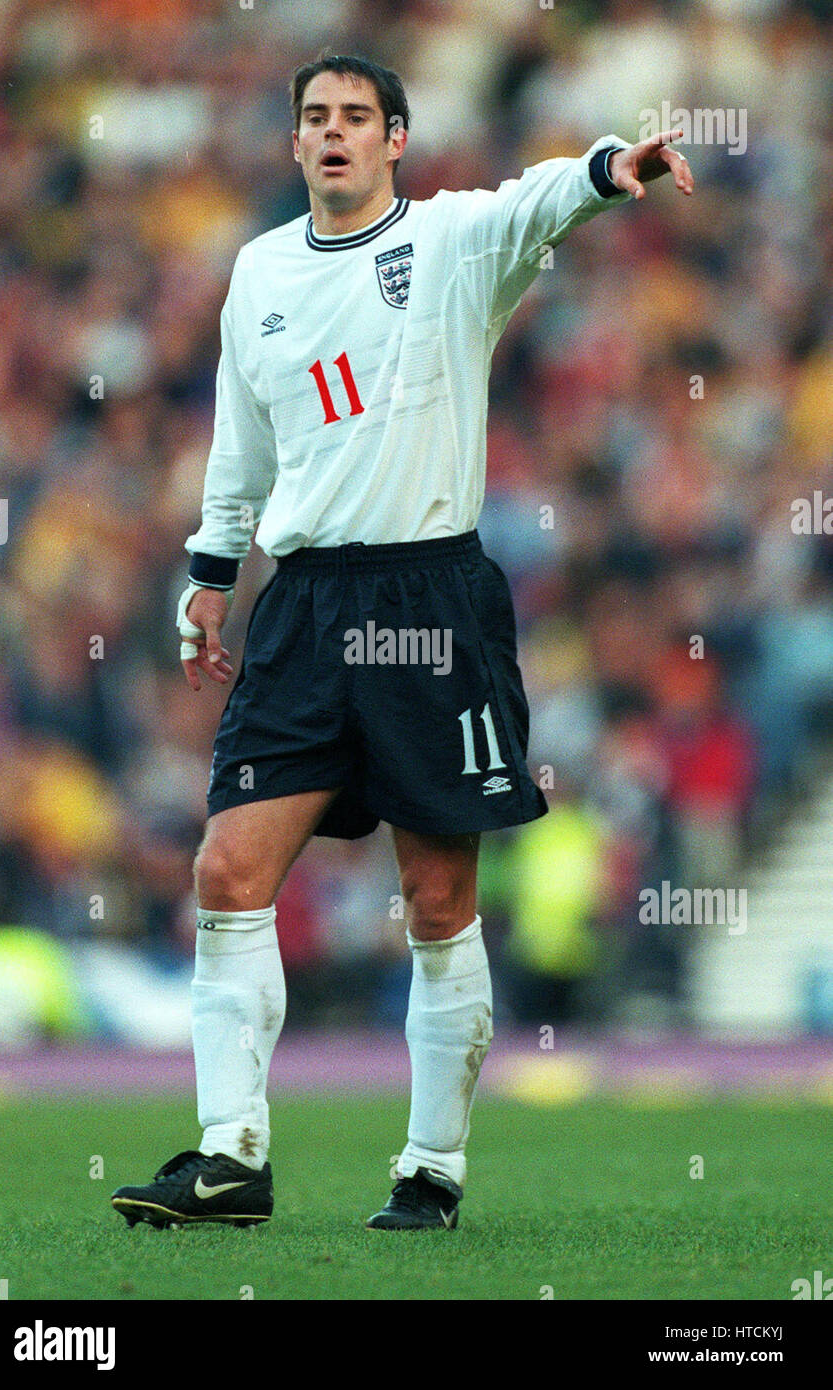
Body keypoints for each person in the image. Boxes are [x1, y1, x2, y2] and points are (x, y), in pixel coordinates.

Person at [111, 53, 693, 1232]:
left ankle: (430, 1166)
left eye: (354, 117)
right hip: (303, 607)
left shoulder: (447, 243)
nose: (332, 132)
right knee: (227, 871)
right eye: (313, 117)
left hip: (428, 600)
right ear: (293, 142)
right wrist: (210, 575)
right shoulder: (258, 271)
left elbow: (536, 200)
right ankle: (230, 1157)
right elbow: (241, 440)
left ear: (394, 140)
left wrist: (606, 167)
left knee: (434, 896)